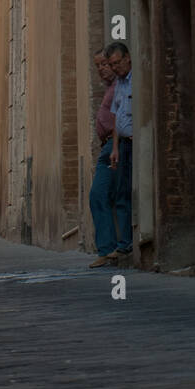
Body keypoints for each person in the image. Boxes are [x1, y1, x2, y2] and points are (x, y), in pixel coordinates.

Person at [88, 49, 119, 267]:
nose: (101, 69)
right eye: (97, 65)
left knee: (98, 194)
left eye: (104, 64)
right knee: (104, 195)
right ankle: (109, 249)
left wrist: (115, 146)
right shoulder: (112, 88)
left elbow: (120, 117)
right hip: (107, 146)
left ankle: (109, 249)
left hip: (112, 146)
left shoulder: (120, 86)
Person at [108, 42, 133, 260]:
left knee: (132, 192)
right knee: (121, 193)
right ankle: (125, 243)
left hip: (136, 144)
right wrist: (115, 148)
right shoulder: (119, 83)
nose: (115, 68)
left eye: (117, 63)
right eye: (112, 65)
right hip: (123, 145)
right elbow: (116, 116)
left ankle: (131, 240)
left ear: (128, 58)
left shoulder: (137, 79)